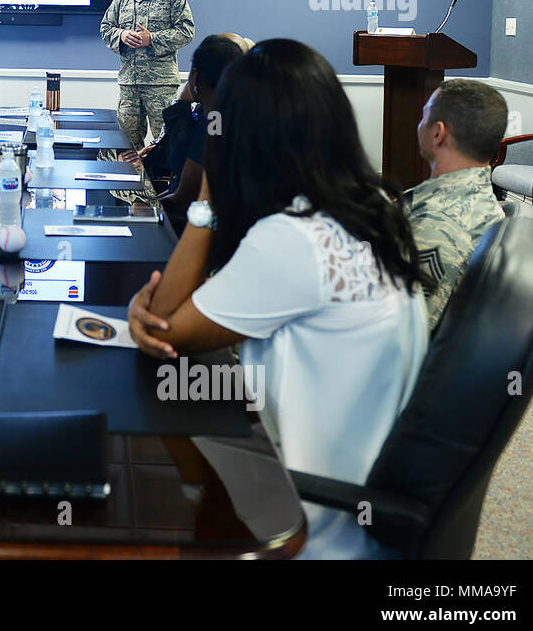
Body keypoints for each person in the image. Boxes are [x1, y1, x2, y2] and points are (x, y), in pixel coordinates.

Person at [125, 39, 430, 559]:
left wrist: (208, 197)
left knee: (136, 482)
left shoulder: (295, 238)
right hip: (360, 496)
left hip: (306, 526)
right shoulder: (371, 206)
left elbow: (161, 328)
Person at [406, 79, 508, 333]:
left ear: (438, 133)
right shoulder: (484, 204)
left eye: (423, 116)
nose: (419, 124)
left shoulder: (435, 227)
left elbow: (400, 335)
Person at [98, 0, 195, 151]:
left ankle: (167, 185)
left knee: (168, 144)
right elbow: (105, 28)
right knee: (126, 147)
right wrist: (121, 35)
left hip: (160, 85)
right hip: (129, 85)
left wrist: (153, 39)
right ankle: (132, 185)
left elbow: (187, 31)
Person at [156, 35, 245, 230]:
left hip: (198, 227)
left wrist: (148, 208)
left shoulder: (213, 123)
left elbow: (184, 197)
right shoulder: (235, 116)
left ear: (196, 76)